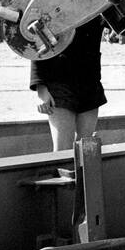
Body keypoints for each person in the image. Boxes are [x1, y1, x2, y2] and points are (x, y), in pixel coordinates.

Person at [31, 14, 107, 151]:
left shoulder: (98, 3)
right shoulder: (55, 0)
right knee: (62, 153)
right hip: (58, 82)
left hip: (90, 83)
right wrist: (41, 89)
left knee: (86, 151)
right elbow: (37, 44)